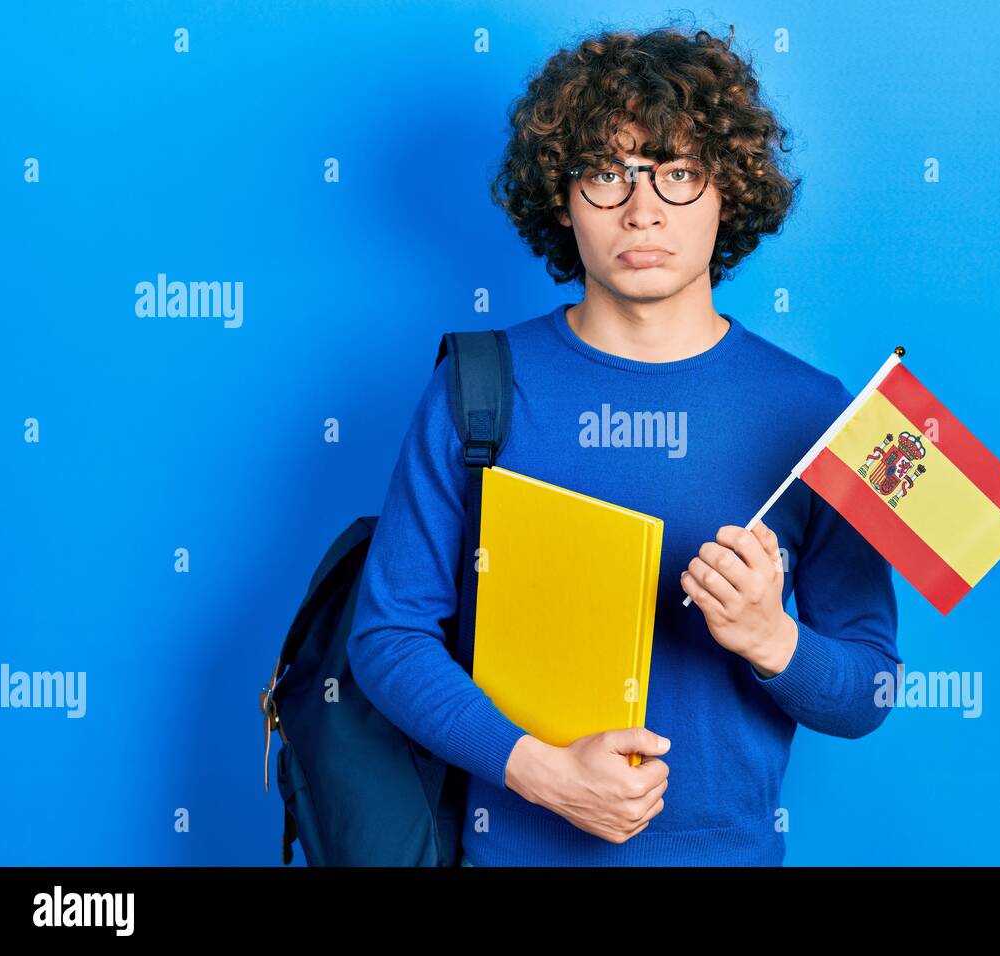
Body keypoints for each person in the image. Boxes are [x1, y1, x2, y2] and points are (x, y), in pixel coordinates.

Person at [347, 23, 900, 867]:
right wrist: (539, 773)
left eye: (678, 174)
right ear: (562, 199)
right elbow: (387, 636)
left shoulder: (817, 414)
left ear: (730, 191)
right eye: (607, 174)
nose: (643, 209)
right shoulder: (478, 386)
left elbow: (868, 689)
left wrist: (769, 638)